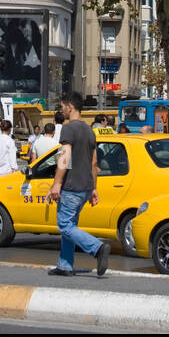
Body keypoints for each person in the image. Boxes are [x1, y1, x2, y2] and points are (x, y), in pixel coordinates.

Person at [47, 93, 108, 277]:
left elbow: (65, 157)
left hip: (71, 187)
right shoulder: (89, 130)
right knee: (71, 225)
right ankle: (65, 265)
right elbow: (94, 162)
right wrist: (94, 188)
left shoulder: (69, 129)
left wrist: (56, 183)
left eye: (62, 106)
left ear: (70, 106)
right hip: (85, 187)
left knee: (64, 225)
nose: (60, 110)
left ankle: (97, 248)